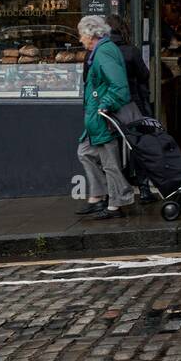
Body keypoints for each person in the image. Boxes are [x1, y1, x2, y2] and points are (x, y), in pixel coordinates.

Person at [75, 14, 136, 219]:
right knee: (85, 152)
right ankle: (98, 195)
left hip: (103, 117)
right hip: (96, 118)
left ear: (90, 34)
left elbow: (119, 86)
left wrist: (105, 104)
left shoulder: (104, 53)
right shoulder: (100, 51)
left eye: (81, 35)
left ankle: (117, 202)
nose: (80, 39)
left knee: (110, 161)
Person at [107, 13, 156, 205]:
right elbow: (144, 74)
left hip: (111, 105)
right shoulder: (131, 51)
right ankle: (144, 188)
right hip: (133, 103)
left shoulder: (102, 52)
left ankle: (119, 189)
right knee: (139, 144)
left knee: (114, 147)